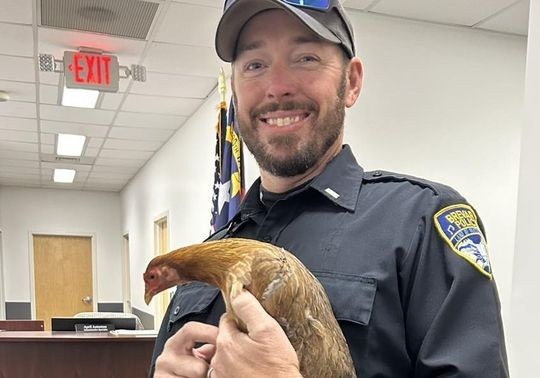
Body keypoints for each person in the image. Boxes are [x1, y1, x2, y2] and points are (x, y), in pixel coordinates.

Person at [150, 0, 509, 377]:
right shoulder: (210, 254)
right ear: (236, 95)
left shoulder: (420, 224)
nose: (277, 87)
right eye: (255, 65)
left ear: (351, 82)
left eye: (305, 58)